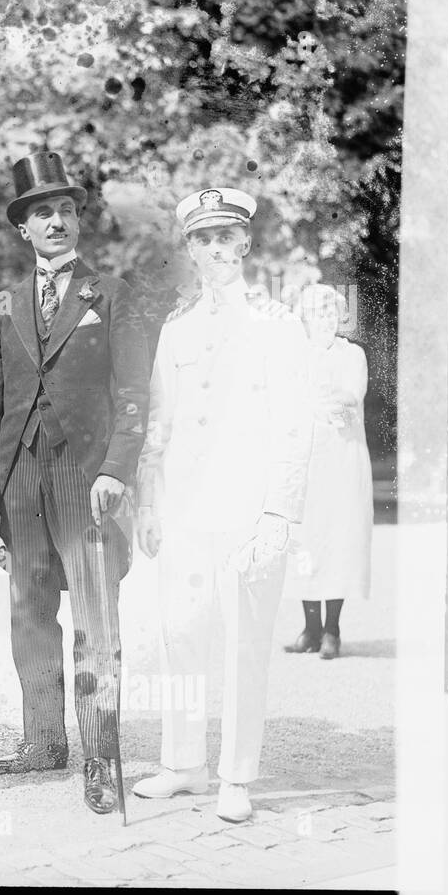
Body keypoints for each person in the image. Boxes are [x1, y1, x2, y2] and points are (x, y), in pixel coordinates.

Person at [0, 151, 150, 816]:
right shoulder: (7, 303)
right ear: (24, 228)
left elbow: (133, 395)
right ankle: (43, 742)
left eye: (67, 210)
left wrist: (115, 470)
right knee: (29, 615)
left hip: (86, 481)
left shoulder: (112, 297)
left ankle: (101, 756)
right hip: (19, 483)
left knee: (97, 624)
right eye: (42, 212)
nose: (57, 222)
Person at [133, 187, 311, 823]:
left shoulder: (279, 324)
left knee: (243, 639)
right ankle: (183, 762)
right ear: (190, 250)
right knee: (179, 631)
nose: (215, 249)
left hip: (247, 508)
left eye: (225, 237)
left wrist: (279, 514)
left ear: (246, 244)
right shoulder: (176, 328)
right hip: (183, 506)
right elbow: (159, 423)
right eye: (202, 239)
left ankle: (236, 775)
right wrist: (150, 504)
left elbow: (295, 425)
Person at [282, 284, 374, 659]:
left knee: (338, 535)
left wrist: (321, 402)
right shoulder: (295, 356)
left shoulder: (352, 355)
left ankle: (333, 629)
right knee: (307, 537)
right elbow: (288, 401)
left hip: (342, 456)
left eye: (331, 311)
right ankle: (310, 628)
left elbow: (351, 395)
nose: (326, 319)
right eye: (318, 312)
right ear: (305, 317)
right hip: (306, 459)